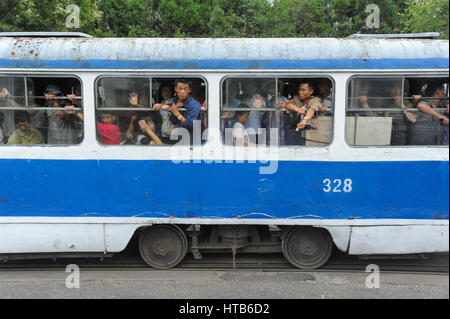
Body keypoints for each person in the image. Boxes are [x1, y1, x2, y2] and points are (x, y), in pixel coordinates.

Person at [154, 78, 202, 144]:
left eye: (185, 89)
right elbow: (173, 121)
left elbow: (191, 124)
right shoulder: (175, 100)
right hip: (180, 138)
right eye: (180, 88)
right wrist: (163, 105)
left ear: (189, 90)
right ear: (175, 89)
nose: (182, 92)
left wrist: (176, 113)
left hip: (192, 141)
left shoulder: (194, 105)